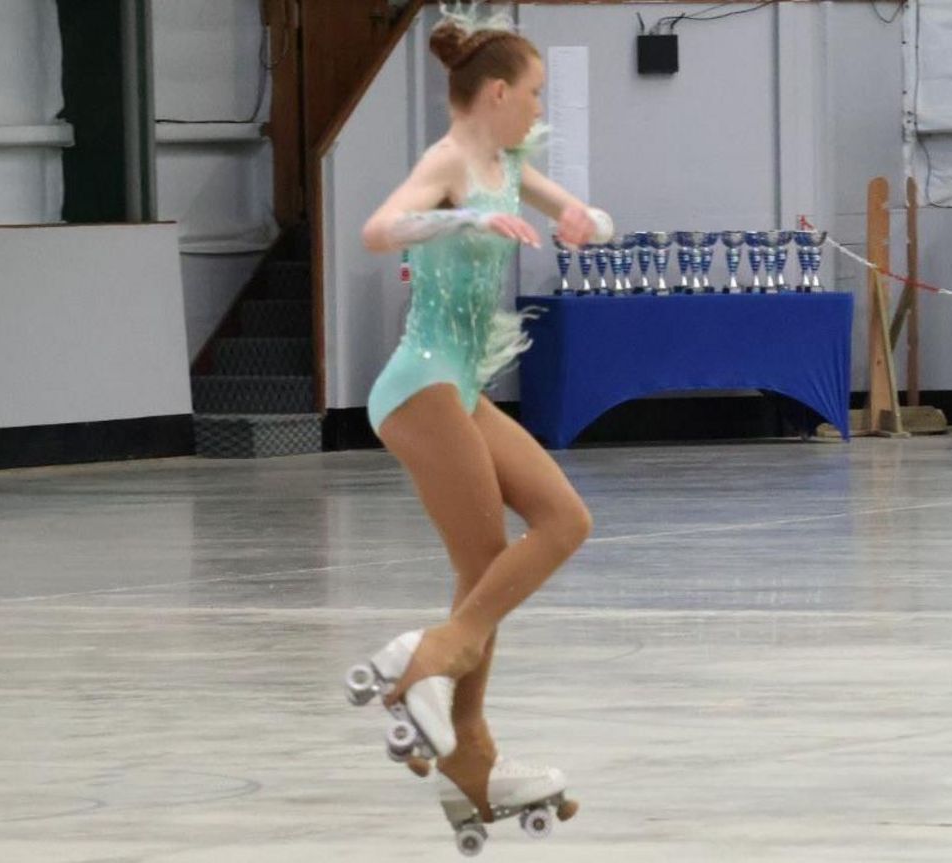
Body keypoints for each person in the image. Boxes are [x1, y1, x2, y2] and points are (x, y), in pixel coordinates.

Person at [343, 1, 613, 829]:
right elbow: (379, 230)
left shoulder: (508, 161)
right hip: (418, 384)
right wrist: (461, 215)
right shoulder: (450, 160)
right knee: (486, 560)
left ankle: (451, 702)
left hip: (460, 385)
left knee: (561, 522)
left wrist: (582, 221)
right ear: (497, 92)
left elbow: (579, 213)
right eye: (533, 92)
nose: (539, 106)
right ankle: (446, 691)